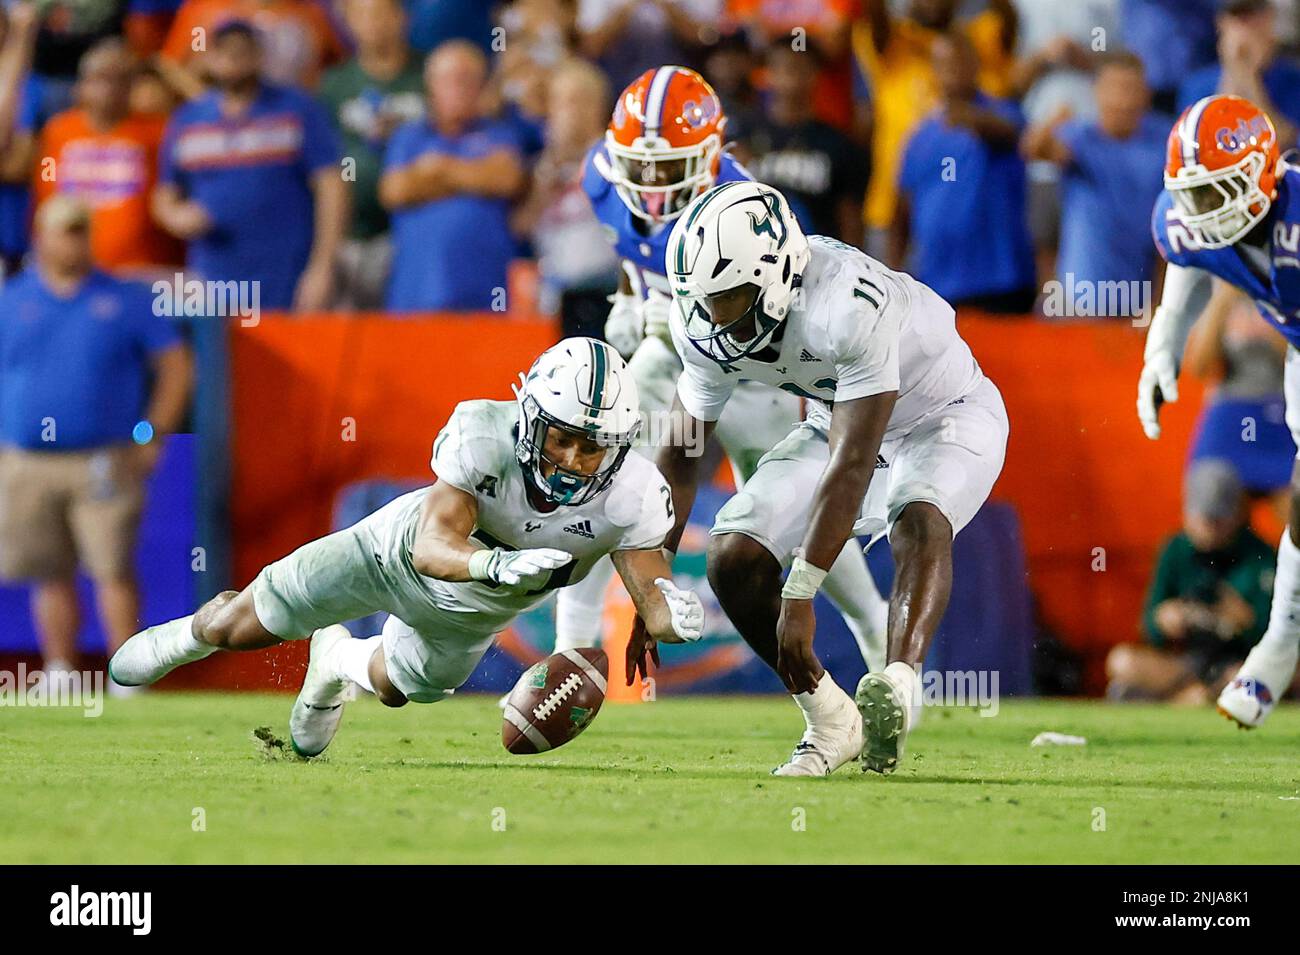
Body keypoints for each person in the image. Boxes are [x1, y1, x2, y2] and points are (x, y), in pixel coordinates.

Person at [109, 339, 706, 758]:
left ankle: (334, 662)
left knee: (398, 690)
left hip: (471, 618)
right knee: (239, 630)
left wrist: (671, 615)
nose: (574, 460)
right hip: (389, 554)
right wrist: (494, 563)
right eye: (562, 437)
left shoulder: (632, 494)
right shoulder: (483, 433)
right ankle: (188, 634)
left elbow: (649, 585)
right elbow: (432, 544)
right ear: (530, 416)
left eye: (593, 447)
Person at [656, 181, 1009, 775]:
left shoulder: (847, 303)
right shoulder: (702, 318)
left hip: (943, 413)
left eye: (730, 297)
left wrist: (800, 592)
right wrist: (653, 577)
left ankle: (898, 683)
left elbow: (851, 467)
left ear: (776, 272)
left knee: (917, 518)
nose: (713, 317)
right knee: (732, 556)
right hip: (835, 419)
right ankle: (830, 720)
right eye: (703, 300)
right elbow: (683, 450)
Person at [569, 65, 889, 672]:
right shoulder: (600, 177)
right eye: (639, 166)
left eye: (668, 168)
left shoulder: (743, 209)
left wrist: (660, 314)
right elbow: (630, 246)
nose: (652, 182)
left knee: (782, 503)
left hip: (748, 368)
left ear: (713, 155)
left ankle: (870, 618)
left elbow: (777, 308)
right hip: (676, 357)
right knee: (604, 471)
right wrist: (631, 296)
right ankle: (573, 648)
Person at [1138, 94, 1300, 729]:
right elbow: (1187, 256)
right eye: (1193, 195)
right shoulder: (1192, 220)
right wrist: (1161, 348)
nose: (1199, 213)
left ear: (1259, 176)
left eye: (1214, 194)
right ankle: (1278, 648)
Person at [0, 195, 193, 680]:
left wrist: (149, 434)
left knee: (112, 566)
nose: (76, 240)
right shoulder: (13, 299)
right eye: (66, 230)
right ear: (41, 237)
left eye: (82, 230)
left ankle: (127, 673)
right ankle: (61, 669)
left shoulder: (123, 299)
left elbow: (174, 366)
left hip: (103, 457)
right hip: (28, 459)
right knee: (47, 571)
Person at [153, 20, 346, 312]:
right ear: (210, 58)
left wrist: (323, 267)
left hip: (287, 272)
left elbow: (332, 185)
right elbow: (165, 192)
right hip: (214, 277)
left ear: (259, 56)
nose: (234, 61)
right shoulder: (188, 120)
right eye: (225, 52)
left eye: (243, 51)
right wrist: (176, 216)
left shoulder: (296, 109)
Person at [1107, 459, 1274, 704]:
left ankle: (1182, 700)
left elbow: (1280, 638)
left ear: (1237, 516)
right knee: (1122, 660)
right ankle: (1189, 698)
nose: (1209, 527)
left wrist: (1247, 622)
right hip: (1186, 664)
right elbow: (1148, 627)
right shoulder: (1175, 550)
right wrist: (1164, 619)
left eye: (1218, 519)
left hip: (1235, 665)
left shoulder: (1260, 558)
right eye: (1203, 517)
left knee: (1250, 679)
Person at [893, 30, 1036, 314]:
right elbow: (903, 211)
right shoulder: (920, 135)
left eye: (960, 61)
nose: (953, 70)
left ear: (976, 64)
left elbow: (1009, 135)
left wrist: (968, 116)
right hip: (936, 283)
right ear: (933, 69)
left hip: (1001, 282)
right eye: (944, 63)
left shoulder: (1004, 113)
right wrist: (895, 278)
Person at [379, 40, 525, 312]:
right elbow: (395, 191)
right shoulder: (409, 136)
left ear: (482, 87)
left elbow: (506, 180)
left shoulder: (499, 133)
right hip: (416, 295)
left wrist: (439, 168)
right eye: (449, 80)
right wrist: (475, 175)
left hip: (486, 293)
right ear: (430, 86)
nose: (459, 88)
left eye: (467, 79)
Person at [1020, 51, 1167, 313]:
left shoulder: (1164, 144)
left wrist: (1158, 304)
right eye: (1115, 88)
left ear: (1146, 94)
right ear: (1096, 92)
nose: (1123, 100)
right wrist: (1053, 120)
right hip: (1076, 303)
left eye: (1131, 89)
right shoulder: (1080, 138)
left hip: (1137, 302)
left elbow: (1170, 232)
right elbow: (1033, 149)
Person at [35, 38, 182, 277]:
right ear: (80, 85)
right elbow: (45, 201)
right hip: (74, 273)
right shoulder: (57, 131)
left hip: (143, 270)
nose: (110, 88)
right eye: (101, 78)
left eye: (121, 79)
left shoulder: (160, 132)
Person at [317, 0, 425, 310]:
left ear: (402, 17)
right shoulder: (334, 85)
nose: (373, 23)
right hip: (350, 233)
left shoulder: (428, 75)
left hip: (410, 231)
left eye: (381, 12)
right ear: (348, 22)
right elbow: (323, 166)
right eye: (362, 14)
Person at [510, 59, 621, 338]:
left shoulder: (617, 160)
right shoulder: (540, 165)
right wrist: (543, 188)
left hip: (606, 293)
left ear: (600, 106)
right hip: (555, 299)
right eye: (563, 102)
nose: (572, 112)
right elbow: (521, 228)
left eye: (581, 101)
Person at [739, 42, 869, 245]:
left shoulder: (838, 143)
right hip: (750, 257)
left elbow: (850, 219)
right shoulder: (742, 136)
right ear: (767, 73)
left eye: (800, 67)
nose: (792, 76)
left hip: (815, 261)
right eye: (784, 66)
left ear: (815, 74)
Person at [1178, 0, 1300, 146]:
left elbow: (1282, 141)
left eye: (1254, 14)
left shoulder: (1292, 79)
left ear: (1269, 17)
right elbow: (1205, 144)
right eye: (1239, 16)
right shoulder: (1197, 84)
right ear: (1222, 23)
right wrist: (1233, 67)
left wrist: (1249, 77)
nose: (1247, 25)